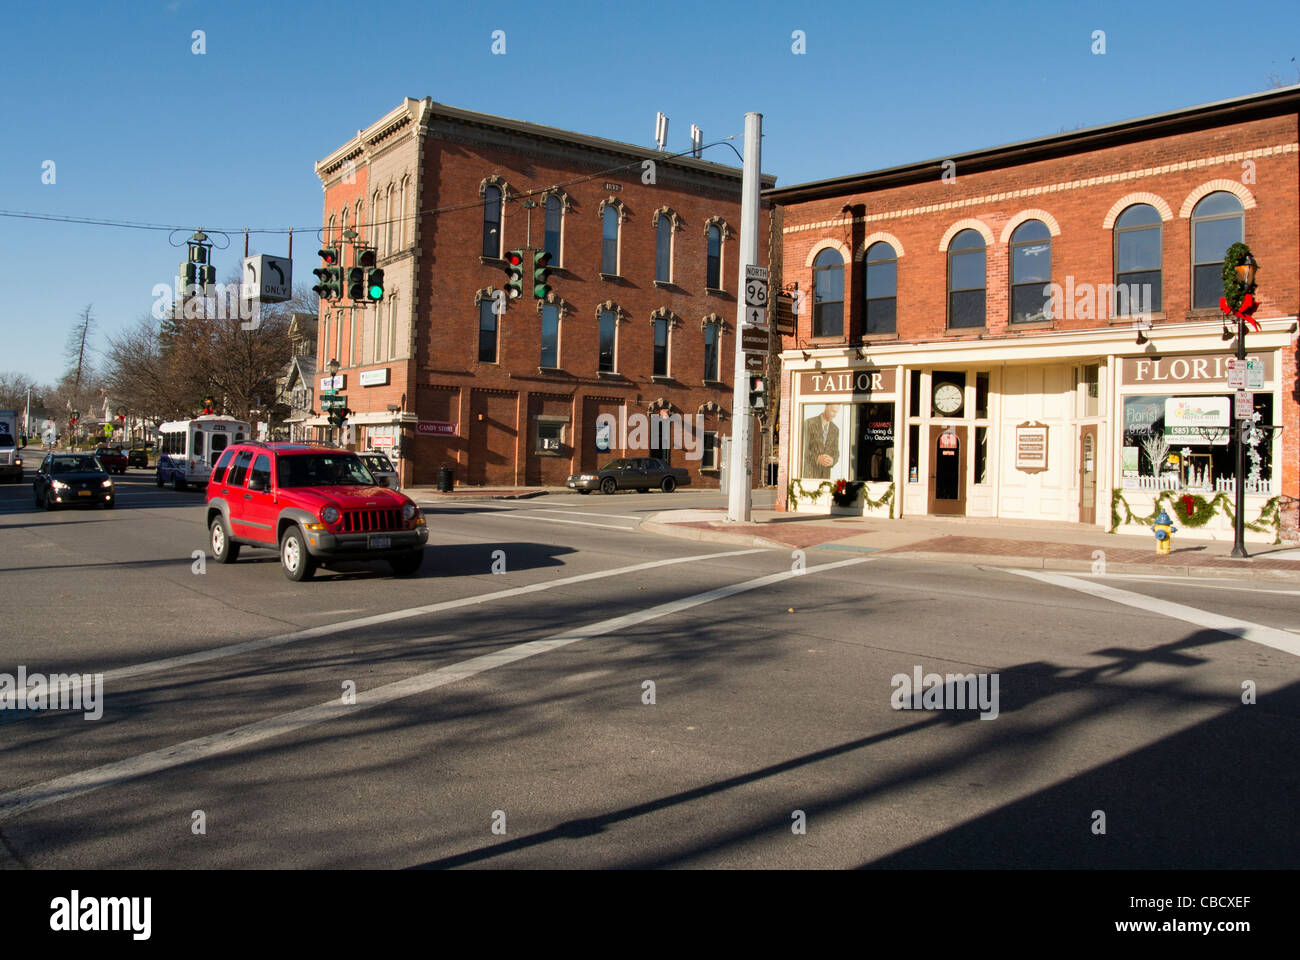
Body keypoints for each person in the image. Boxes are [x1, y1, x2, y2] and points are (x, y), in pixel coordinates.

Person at [802, 404, 841, 479]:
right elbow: (802, 449)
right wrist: (817, 458)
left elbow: (836, 452)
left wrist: (832, 460)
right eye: (833, 411)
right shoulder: (810, 423)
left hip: (825, 477)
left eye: (836, 412)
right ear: (826, 407)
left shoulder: (835, 429)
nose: (835, 415)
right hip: (809, 475)